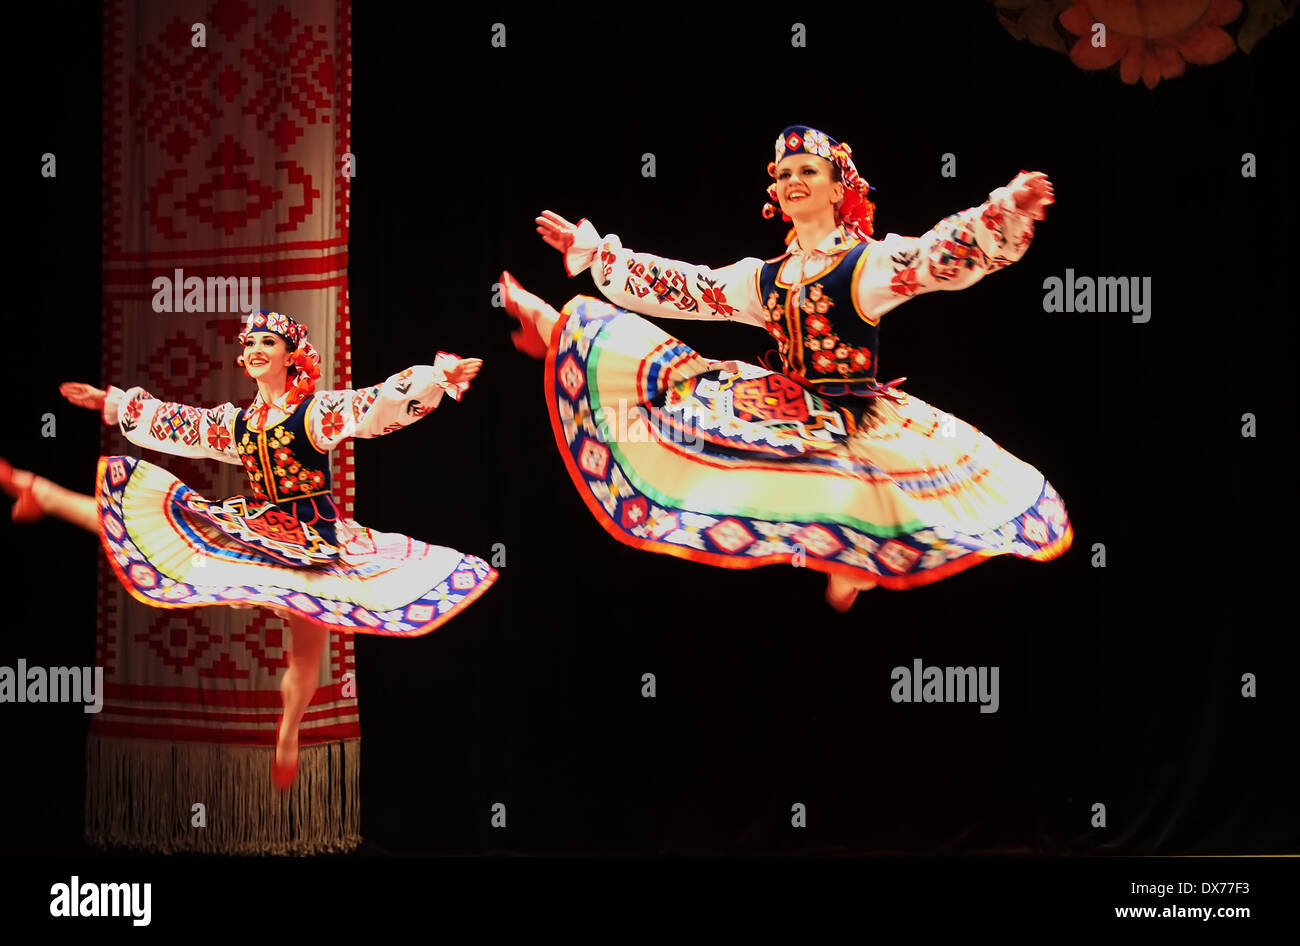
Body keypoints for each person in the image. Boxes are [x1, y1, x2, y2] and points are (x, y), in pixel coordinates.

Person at [502, 125, 1070, 612]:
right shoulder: (764, 276)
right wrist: (599, 252)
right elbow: (687, 288)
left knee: (861, 489)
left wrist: (1003, 213)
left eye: (807, 170)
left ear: (838, 186)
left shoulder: (868, 263)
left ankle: (851, 562)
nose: (791, 180)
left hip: (852, 418)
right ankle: (554, 327)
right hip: (783, 406)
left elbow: (934, 258)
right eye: (782, 172)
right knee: (678, 380)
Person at [0, 310, 494, 789]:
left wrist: (435, 377)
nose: (256, 350)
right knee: (152, 522)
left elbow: (373, 404)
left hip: (312, 540)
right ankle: (42, 492)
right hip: (257, 529)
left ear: (290, 356)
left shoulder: (315, 412)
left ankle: (288, 730)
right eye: (250, 344)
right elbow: (180, 423)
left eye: (268, 343)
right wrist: (112, 403)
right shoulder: (237, 424)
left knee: (305, 657)